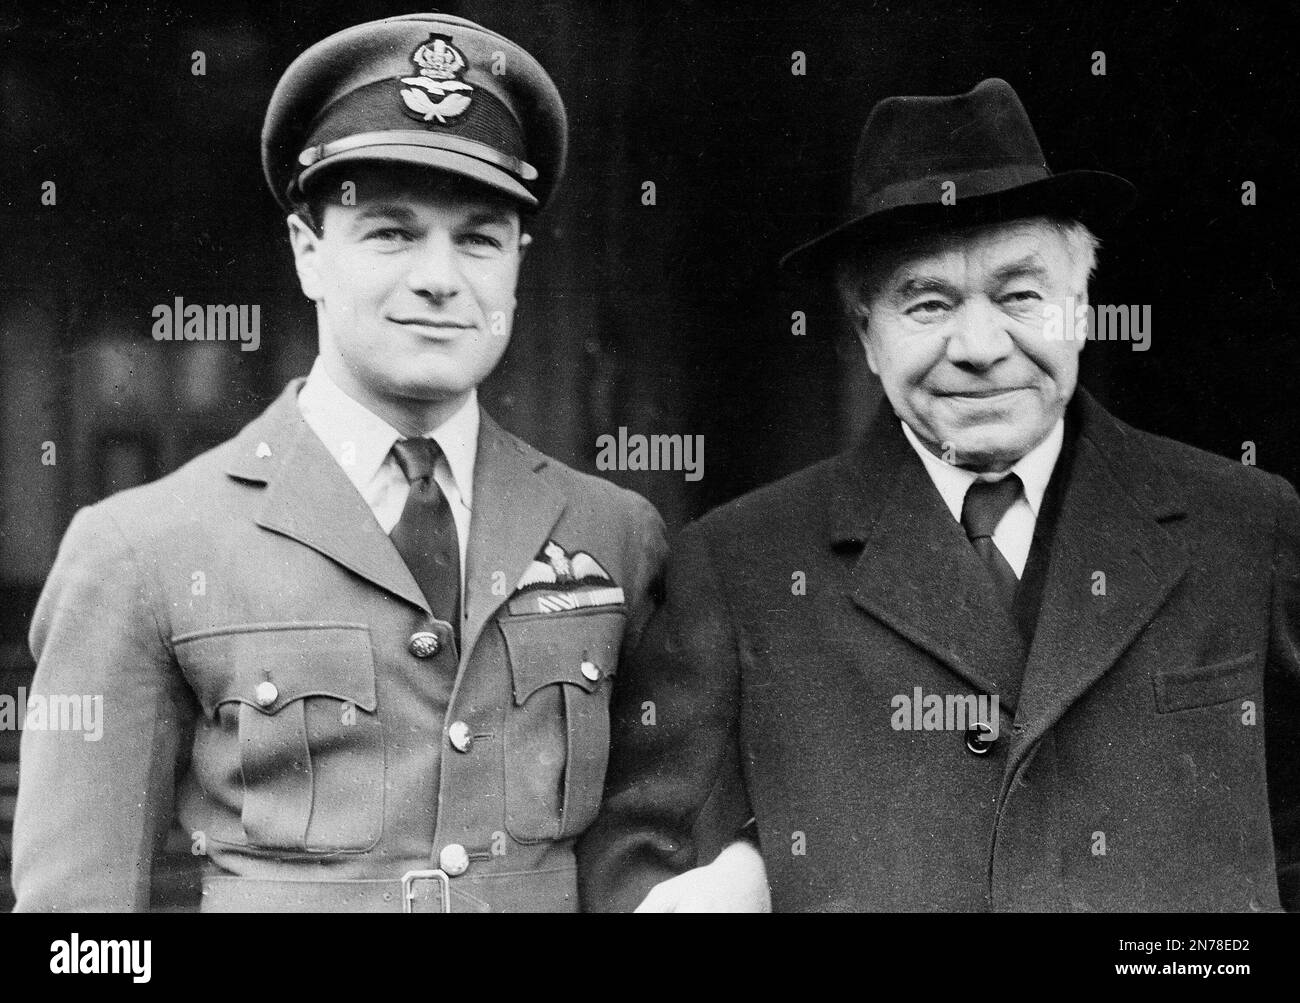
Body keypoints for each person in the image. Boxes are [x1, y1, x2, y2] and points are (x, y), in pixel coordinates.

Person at [579, 78, 1300, 912]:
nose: (981, 347)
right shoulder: (741, 566)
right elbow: (635, 865)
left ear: (1081, 305)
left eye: (1020, 295)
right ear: (865, 335)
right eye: (928, 303)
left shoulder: (1246, 527)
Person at [13, 12, 666, 913]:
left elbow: (649, 855)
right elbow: (74, 930)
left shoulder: (616, 535)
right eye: (391, 233)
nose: (440, 277)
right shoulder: (143, 549)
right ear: (308, 253)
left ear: (518, 264)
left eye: (479, 238)